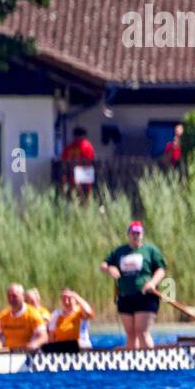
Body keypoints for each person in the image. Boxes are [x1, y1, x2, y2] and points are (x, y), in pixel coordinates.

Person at [100, 221, 167, 349]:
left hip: (145, 296)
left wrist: (152, 283)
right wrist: (110, 269)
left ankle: (149, 361)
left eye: (138, 233)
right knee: (130, 333)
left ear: (142, 235)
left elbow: (161, 270)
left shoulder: (150, 250)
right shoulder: (120, 251)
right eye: (133, 233)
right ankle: (132, 365)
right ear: (128, 234)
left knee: (141, 331)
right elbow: (104, 265)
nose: (136, 236)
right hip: (125, 297)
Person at [0, 283, 48, 352]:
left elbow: (44, 337)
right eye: (9, 296)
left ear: (23, 296)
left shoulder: (33, 314)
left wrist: (33, 344)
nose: (11, 299)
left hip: (27, 355)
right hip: (7, 354)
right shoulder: (2, 316)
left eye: (14, 296)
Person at [61, 126, 97, 197]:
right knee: (84, 195)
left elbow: (64, 159)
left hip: (75, 174)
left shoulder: (70, 147)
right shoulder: (87, 146)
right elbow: (91, 159)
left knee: (75, 194)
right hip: (83, 174)